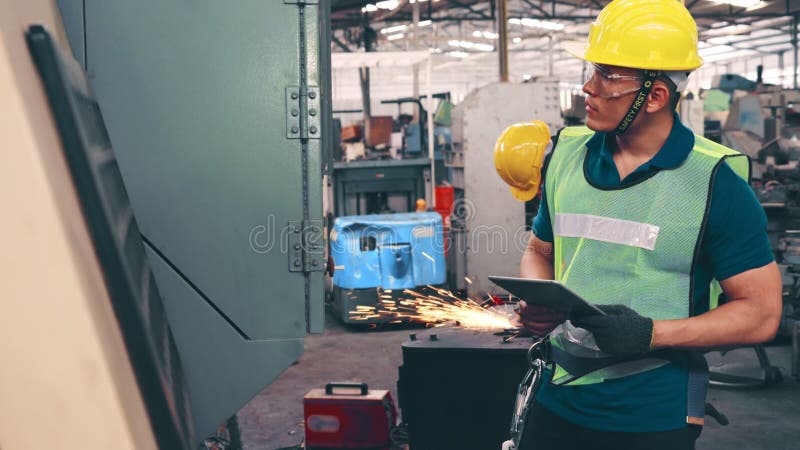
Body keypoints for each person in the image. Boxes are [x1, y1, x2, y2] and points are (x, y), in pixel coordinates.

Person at [512, 1, 783, 449]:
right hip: (555, 398)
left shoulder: (715, 182)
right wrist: (540, 297)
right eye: (592, 71)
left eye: (607, 76)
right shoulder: (565, 156)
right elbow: (539, 251)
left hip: (650, 415)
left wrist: (653, 333)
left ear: (655, 96)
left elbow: (762, 312)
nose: (588, 87)